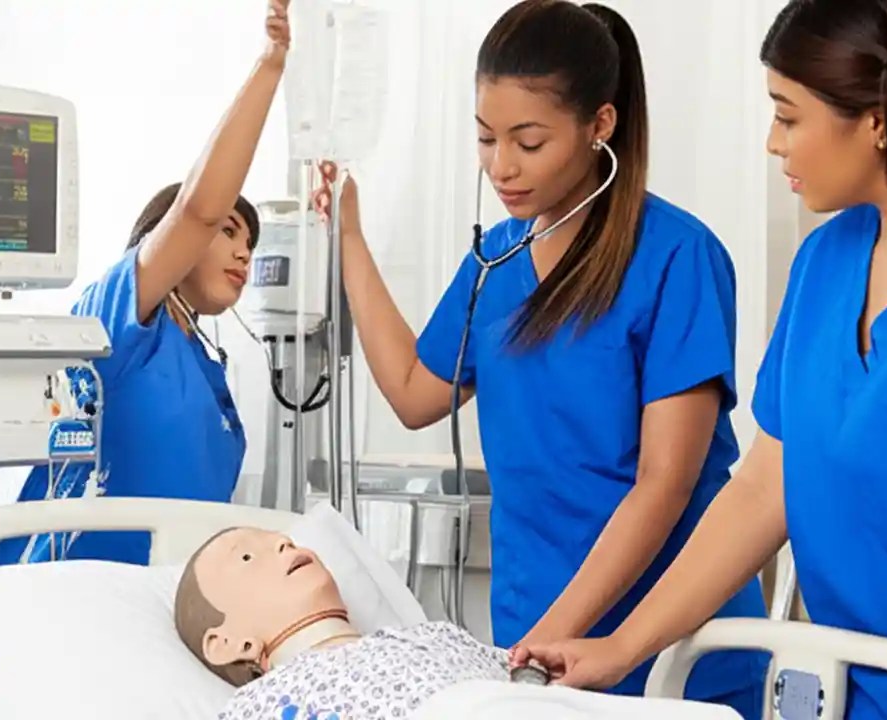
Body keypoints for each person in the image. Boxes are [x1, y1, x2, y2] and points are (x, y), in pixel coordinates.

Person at [514, 1, 887, 718]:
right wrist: (623, 644)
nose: (774, 143)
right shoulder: (825, 261)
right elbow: (763, 488)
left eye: (789, 115)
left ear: (878, 119)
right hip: (856, 686)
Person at [311, 0, 767, 713]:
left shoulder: (678, 256)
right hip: (531, 644)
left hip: (671, 654)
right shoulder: (495, 262)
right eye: (487, 139)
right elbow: (411, 393)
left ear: (600, 126)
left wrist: (547, 641)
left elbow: (663, 484)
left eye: (528, 142)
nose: (501, 167)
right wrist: (349, 239)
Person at [0, 0, 293, 567]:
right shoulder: (117, 320)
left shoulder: (206, 370)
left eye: (250, 243)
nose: (242, 252)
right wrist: (271, 65)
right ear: (159, 237)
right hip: (65, 595)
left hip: (154, 611)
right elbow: (198, 207)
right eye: (229, 231)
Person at [173, 526, 512, 718]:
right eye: (247, 557)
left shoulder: (437, 634)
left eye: (287, 541)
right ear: (227, 642)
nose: (283, 543)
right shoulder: (259, 706)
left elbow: (528, 683)